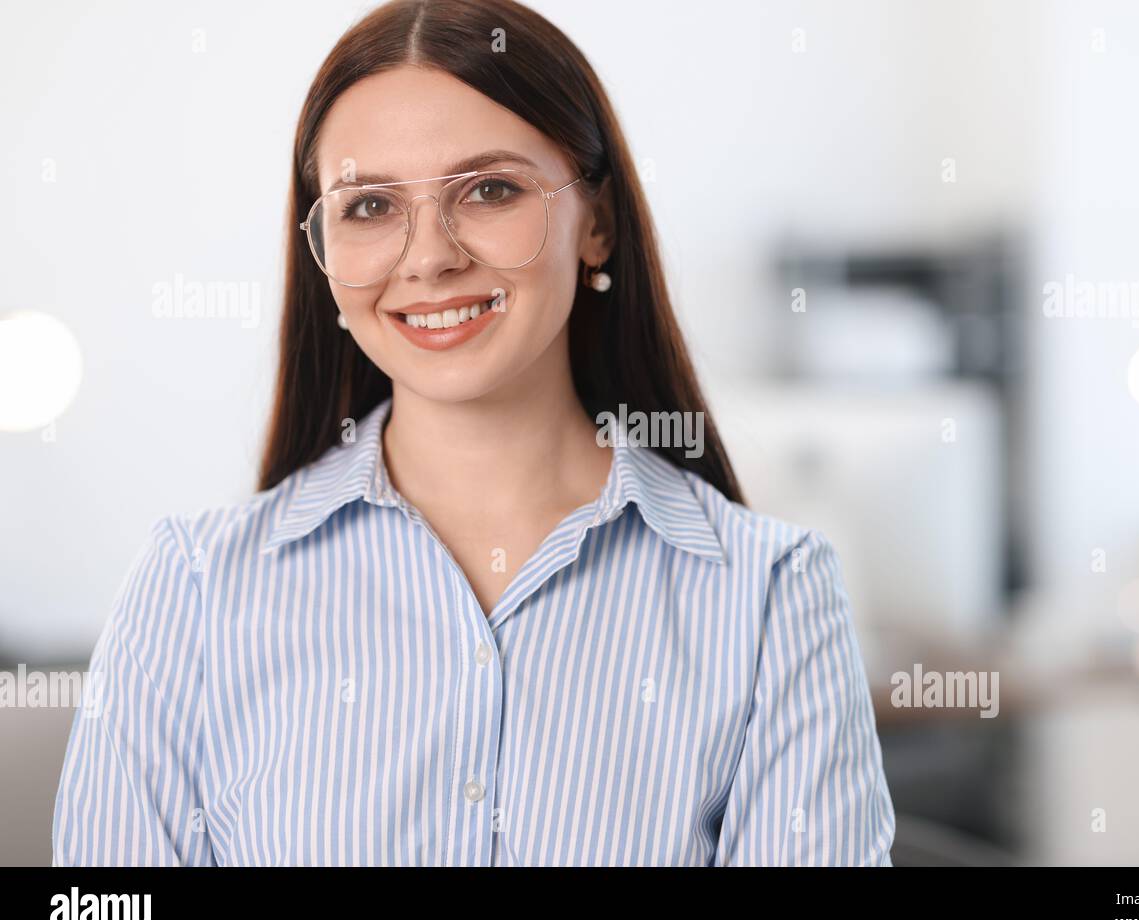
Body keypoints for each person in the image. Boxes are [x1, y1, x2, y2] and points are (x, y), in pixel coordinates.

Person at [52, 0, 894, 866]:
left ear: (595, 223)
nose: (427, 259)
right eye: (370, 206)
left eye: (489, 190)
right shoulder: (191, 591)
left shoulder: (771, 599)